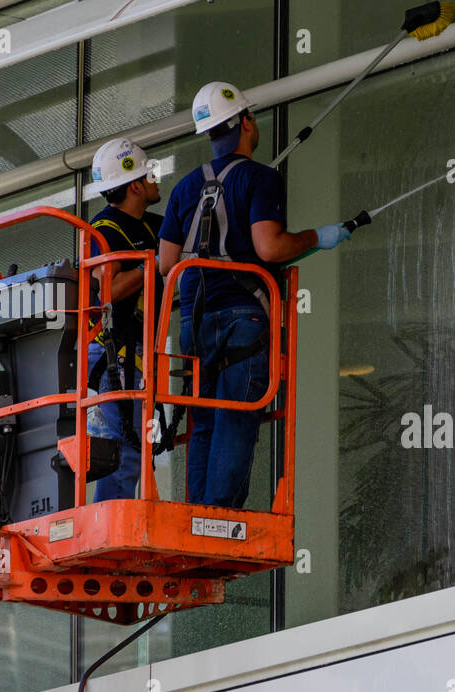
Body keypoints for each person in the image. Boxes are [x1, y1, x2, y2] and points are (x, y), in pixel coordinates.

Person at [158, 81, 352, 508]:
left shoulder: (185, 188)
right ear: (246, 123)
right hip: (241, 314)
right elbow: (269, 248)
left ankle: (197, 519)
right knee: (236, 418)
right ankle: (219, 521)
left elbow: (166, 264)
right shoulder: (260, 178)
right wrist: (316, 237)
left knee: (203, 421)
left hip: (193, 319)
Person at [85, 136, 163, 502]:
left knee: (132, 447)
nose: (155, 180)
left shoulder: (148, 226)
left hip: (130, 352)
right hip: (112, 352)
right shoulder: (104, 229)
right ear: (135, 185)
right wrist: (153, 264)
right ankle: (109, 523)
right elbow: (109, 291)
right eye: (151, 174)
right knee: (126, 450)